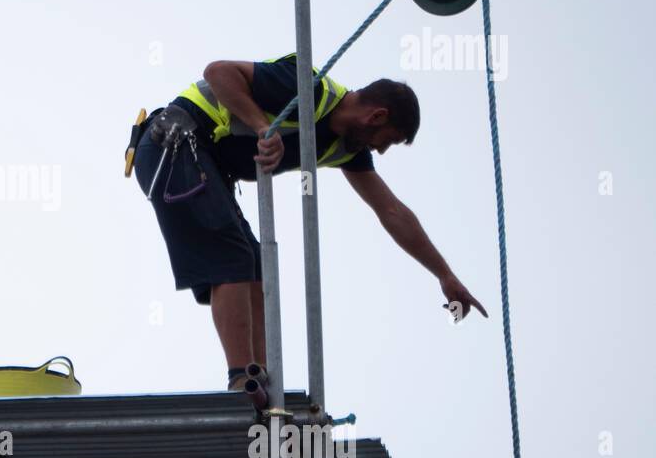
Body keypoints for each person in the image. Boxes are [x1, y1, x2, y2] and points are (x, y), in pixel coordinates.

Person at [132, 53, 487, 391]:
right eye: (387, 141)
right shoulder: (307, 87)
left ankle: (260, 380)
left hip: (200, 163)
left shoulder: (347, 149)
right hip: (175, 142)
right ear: (377, 116)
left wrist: (444, 274)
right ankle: (241, 379)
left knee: (256, 264)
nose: (380, 151)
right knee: (231, 257)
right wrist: (262, 127)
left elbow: (391, 211)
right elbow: (217, 72)